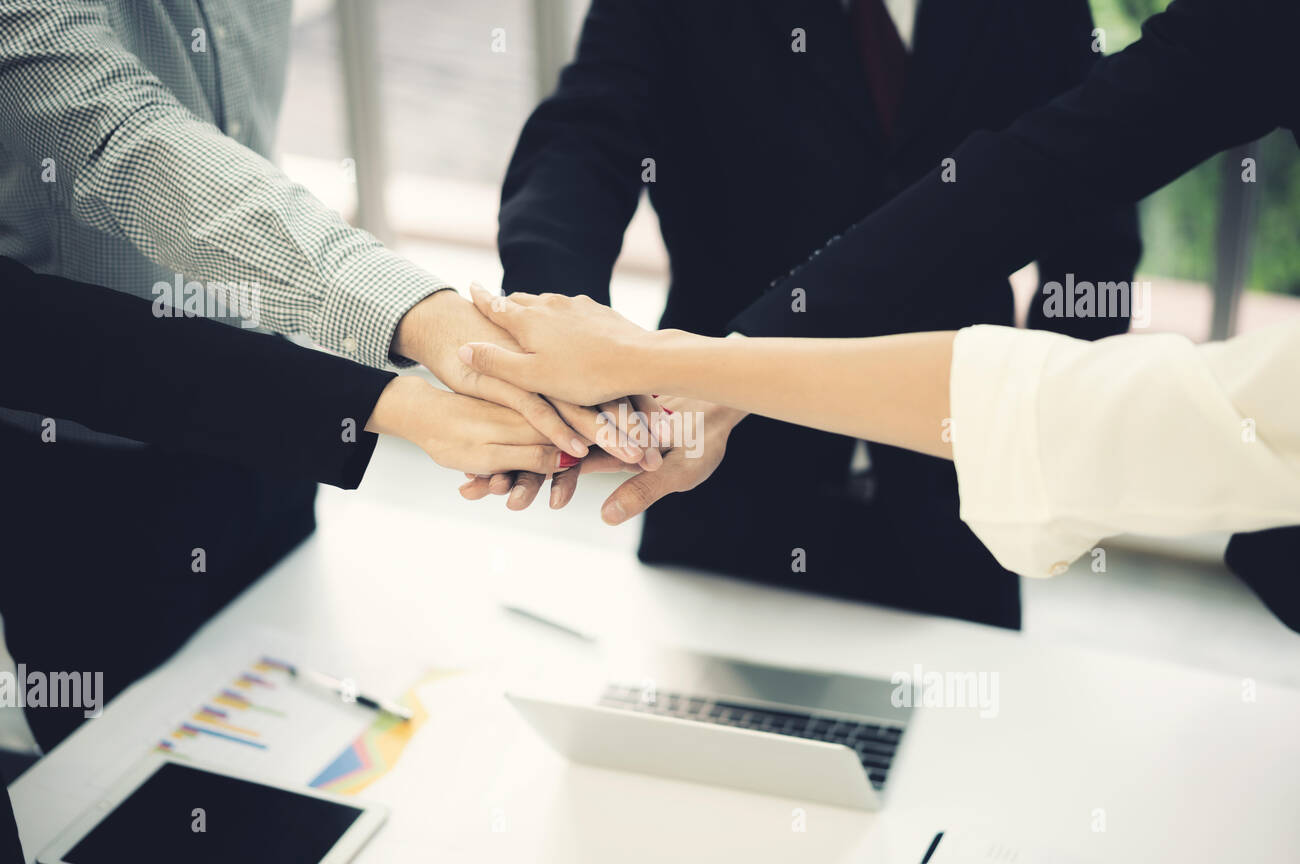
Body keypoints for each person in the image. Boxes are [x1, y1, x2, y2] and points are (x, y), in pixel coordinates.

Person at [457, 0, 1300, 631]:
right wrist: (553, 329)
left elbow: (1077, 196)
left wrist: (1052, 434)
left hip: (953, 477)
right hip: (716, 470)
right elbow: (586, 137)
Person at [0, 0, 648, 749]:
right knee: (117, 788)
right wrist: (439, 328)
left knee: (294, 735)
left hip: (279, 422)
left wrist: (541, 349)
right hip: (86, 465)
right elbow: (126, 144)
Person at [0, 257, 578, 864]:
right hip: (86, 483)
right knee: (114, 774)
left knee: (284, 699)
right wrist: (406, 388)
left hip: (264, 426)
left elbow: (226, 211)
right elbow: (60, 332)